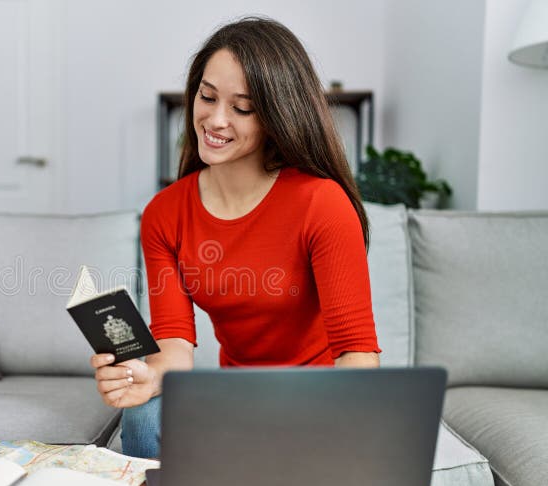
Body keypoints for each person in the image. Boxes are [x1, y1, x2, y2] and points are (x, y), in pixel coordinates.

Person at [89, 16, 381, 459]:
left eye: (242, 108)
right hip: (235, 395)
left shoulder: (322, 203)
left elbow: (357, 356)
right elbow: (174, 350)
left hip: (316, 399)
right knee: (144, 413)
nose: (216, 120)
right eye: (207, 97)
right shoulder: (164, 214)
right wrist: (145, 377)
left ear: (276, 116)